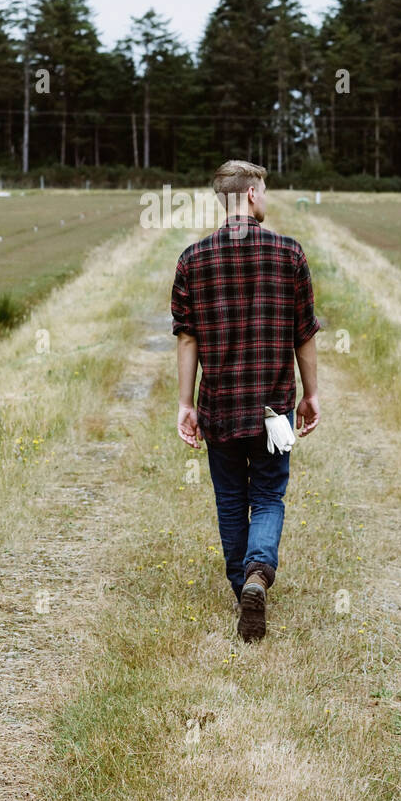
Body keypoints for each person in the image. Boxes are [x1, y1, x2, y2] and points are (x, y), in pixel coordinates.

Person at [170, 160, 321, 642]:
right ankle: (259, 573)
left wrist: (185, 403)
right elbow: (305, 335)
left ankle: (244, 589)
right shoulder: (289, 253)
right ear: (253, 194)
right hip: (274, 409)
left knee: (231, 498)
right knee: (269, 496)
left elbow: (186, 340)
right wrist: (312, 393)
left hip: (220, 407)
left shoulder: (192, 260)